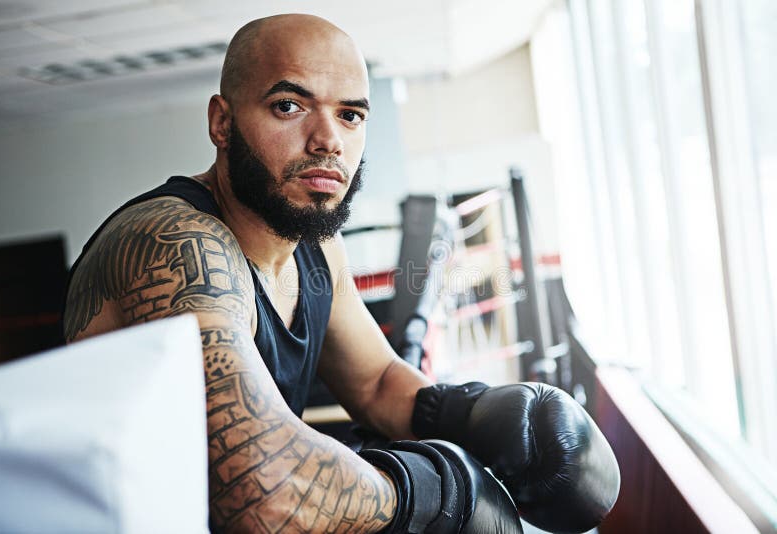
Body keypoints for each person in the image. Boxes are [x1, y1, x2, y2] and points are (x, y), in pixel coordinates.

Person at [64, 13, 619, 534]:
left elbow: (376, 383)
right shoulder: (177, 245)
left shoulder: (315, 243)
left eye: (350, 115)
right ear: (222, 123)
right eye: (289, 106)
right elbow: (264, 490)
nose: (329, 139)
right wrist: (439, 490)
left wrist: (467, 413)